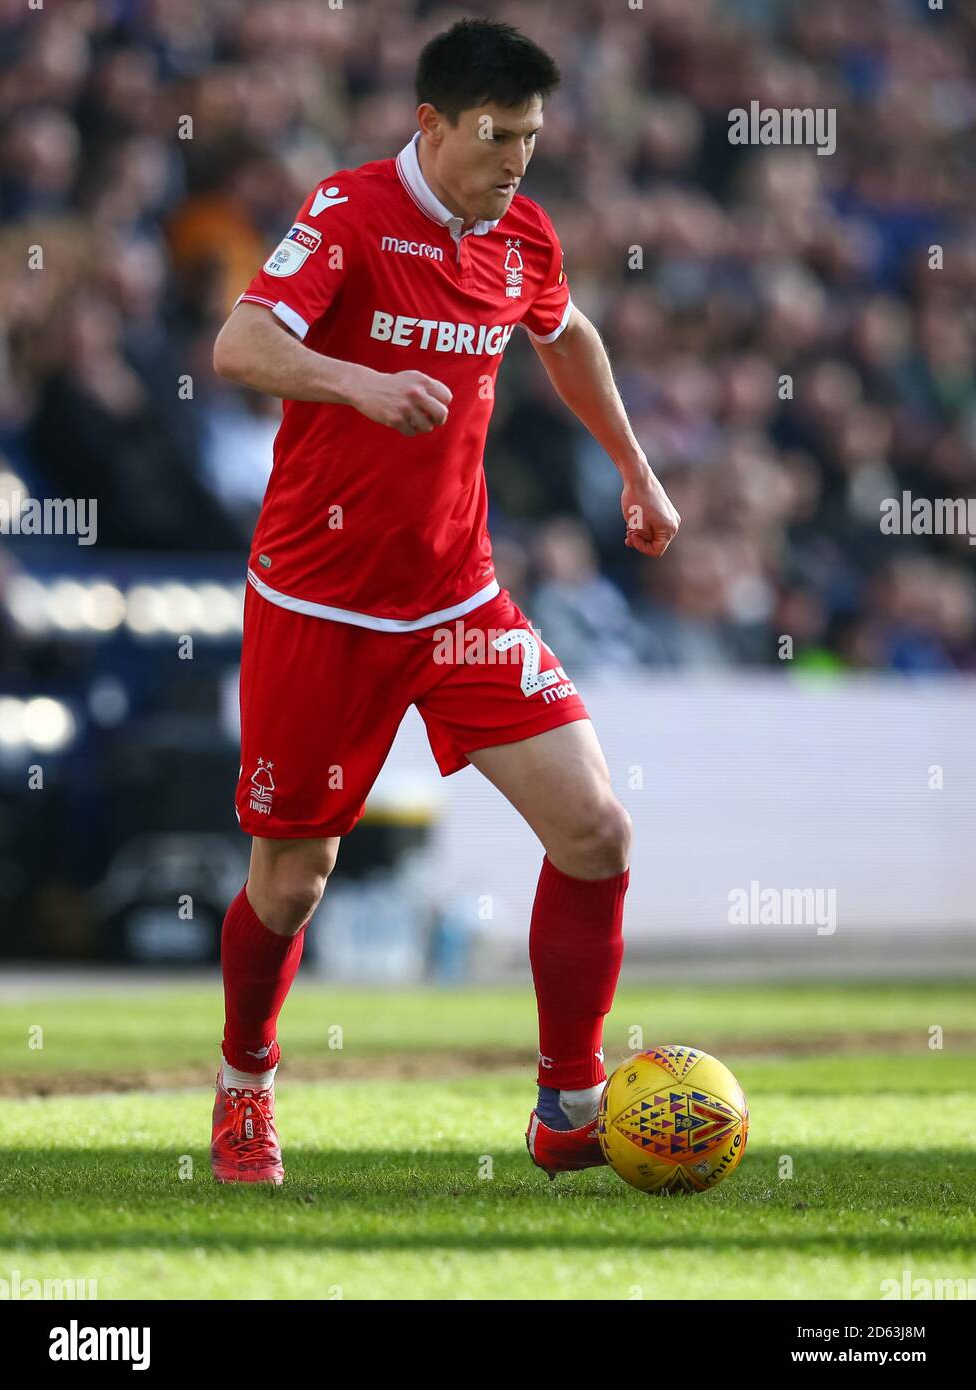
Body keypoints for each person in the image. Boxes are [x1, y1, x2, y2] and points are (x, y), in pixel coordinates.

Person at [208, 18, 680, 1185]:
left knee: (595, 830)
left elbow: (564, 336)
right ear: (430, 123)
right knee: (291, 880)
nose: (516, 158)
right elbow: (241, 342)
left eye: (529, 135)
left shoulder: (519, 233)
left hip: (458, 599)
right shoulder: (349, 213)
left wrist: (633, 463)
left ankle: (567, 1106)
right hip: (320, 604)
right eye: (495, 134)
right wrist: (355, 382)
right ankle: (245, 1087)